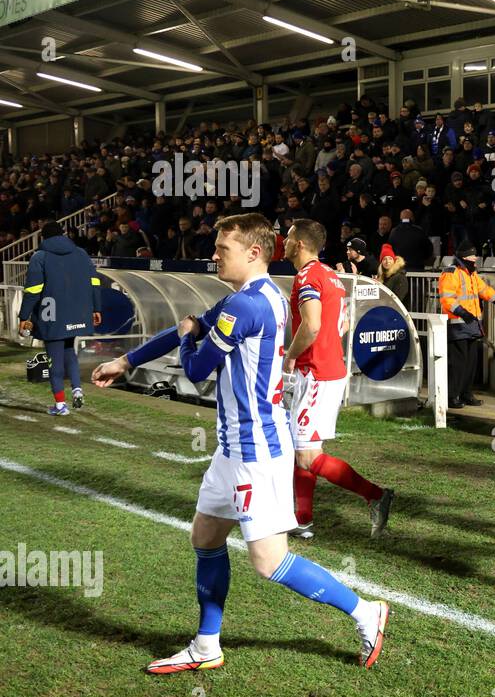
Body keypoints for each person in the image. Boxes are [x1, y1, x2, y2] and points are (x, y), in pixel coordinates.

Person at [91, 213, 389, 673]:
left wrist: (191, 338)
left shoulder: (245, 307)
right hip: (232, 448)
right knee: (205, 536)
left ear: (253, 252)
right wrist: (128, 360)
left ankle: (366, 611)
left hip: (256, 452)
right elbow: (185, 326)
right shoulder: (254, 297)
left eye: (221, 248)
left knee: (269, 562)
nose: (213, 255)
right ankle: (207, 644)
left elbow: (194, 367)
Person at [281, 220, 395, 541]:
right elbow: (338, 324)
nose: (284, 242)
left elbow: (313, 325)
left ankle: (375, 495)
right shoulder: (331, 275)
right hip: (328, 368)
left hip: (315, 371)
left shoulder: (307, 276)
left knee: (306, 455)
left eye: (288, 237)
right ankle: (301, 519)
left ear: (300, 244)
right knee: (304, 447)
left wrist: (291, 355)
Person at [18, 221, 102, 415]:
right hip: (77, 312)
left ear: (43, 237)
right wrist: (97, 308)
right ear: (63, 234)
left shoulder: (40, 256)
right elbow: (95, 282)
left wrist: (24, 315)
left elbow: (33, 290)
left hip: (51, 313)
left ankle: (60, 406)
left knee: (54, 359)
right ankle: (77, 389)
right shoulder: (81, 253)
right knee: (69, 351)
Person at [438, 240, 495, 409]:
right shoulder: (452, 273)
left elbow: (484, 291)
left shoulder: (471, 273)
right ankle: (452, 396)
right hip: (457, 324)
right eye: (473, 255)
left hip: (471, 325)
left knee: (471, 363)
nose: (476, 258)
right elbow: (447, 298)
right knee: (458, 364)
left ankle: (465, 393)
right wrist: (462, 312)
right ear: (465, 256)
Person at [376, 243, 410, 307]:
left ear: (394, 261)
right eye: (384, 259)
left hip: (396, 312)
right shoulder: (382, 277)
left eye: (390, 258)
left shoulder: (400, 277)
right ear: (381, 262)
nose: (387, 261)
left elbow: (398, 299)